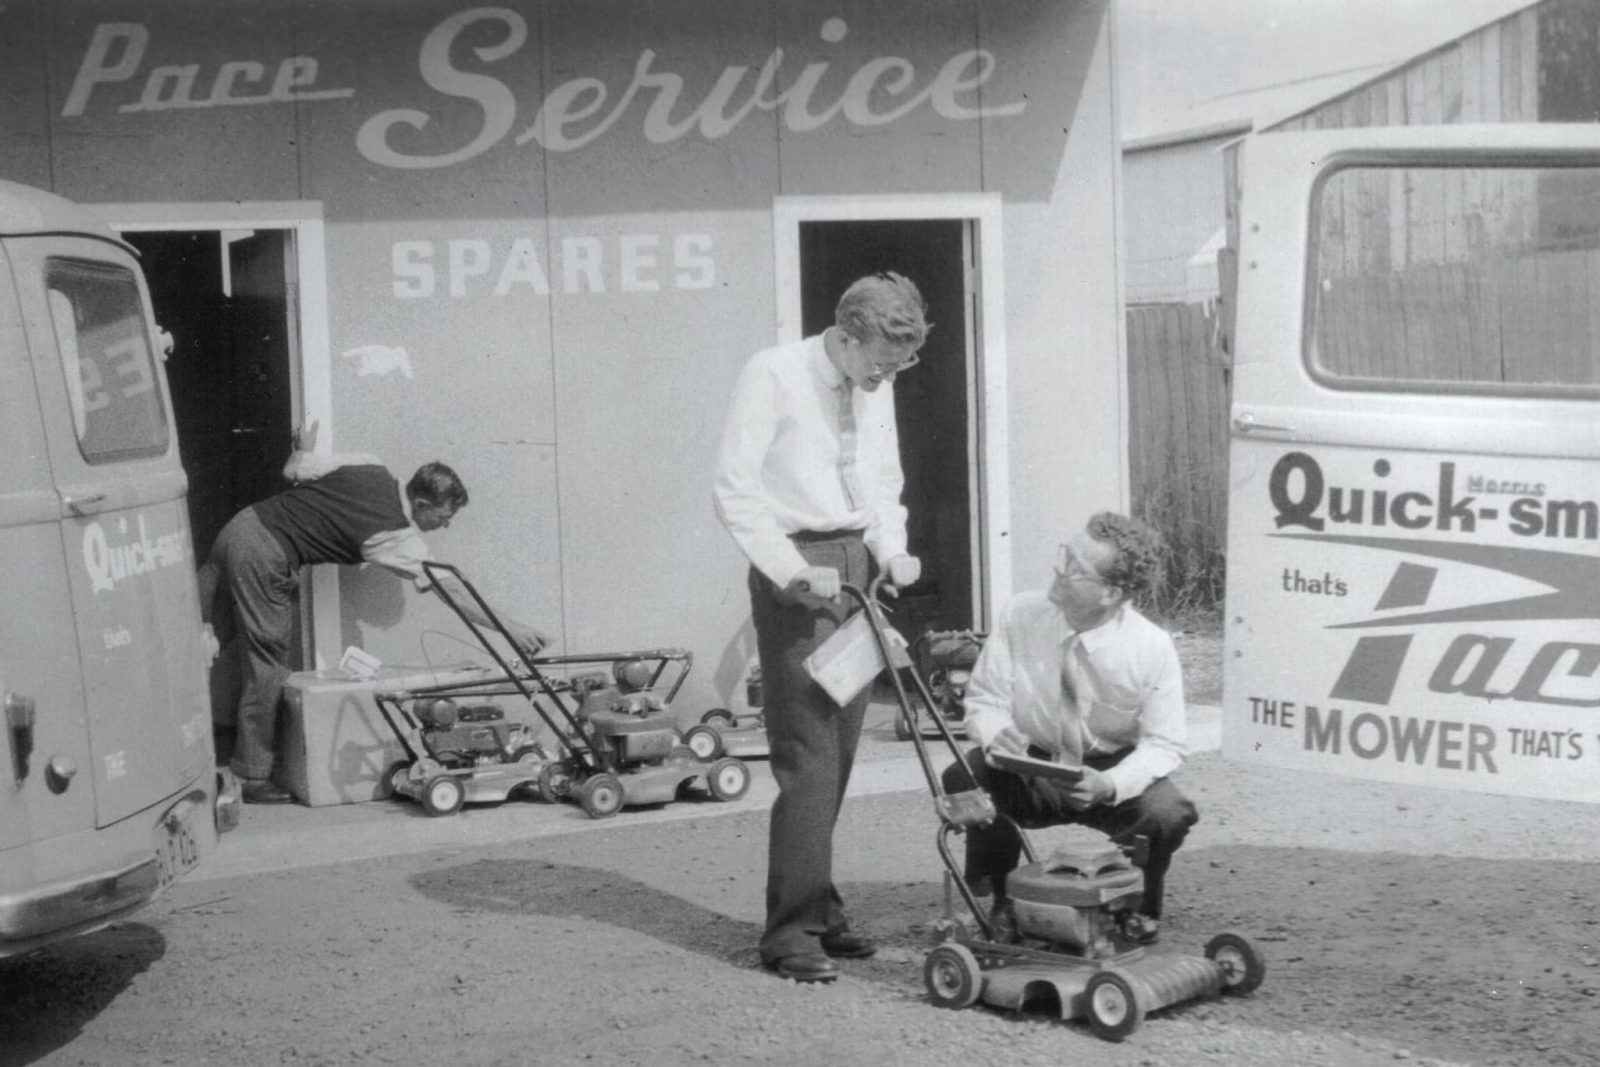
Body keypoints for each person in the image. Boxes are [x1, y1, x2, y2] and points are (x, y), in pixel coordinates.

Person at [713, 271, 930, 982]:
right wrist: (787, 569)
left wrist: (891, 549)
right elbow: (734, 489)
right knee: (807, 754)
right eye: (879, 364)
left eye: (897, 368)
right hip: (799, 569)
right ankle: (788, 932)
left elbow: (883, 479)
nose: (884, 379)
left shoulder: (876, 381)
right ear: (845, 335)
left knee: (839, 747)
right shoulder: (772, 373)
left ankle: (821, 903)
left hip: (855, 563)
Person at [200, 449, 553, 804]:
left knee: (196, 645)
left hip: (239, 526)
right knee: (269, 664)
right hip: (265, 555)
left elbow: (294, 467)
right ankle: (251, 774)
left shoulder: (368, 464)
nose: (446, 525)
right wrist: (511, 629)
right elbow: (454, 591)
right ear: (421, 503)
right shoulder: (393, 536)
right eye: (445, 516)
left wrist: (305, 446)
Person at [940, 511, 1196, 945]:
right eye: (1066, 555)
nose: (1059, 570)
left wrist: (1111, 783)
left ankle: (1136, 908)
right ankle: (1003, 898)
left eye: (1076, 568)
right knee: (968, 776)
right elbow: (985, 700)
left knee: (1167, 813)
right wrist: (996, 732)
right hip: (1030, 762)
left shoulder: (1150, 646)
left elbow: (1165, 743)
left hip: (1107, 768)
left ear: (1110, 593)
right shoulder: (1021, 613)